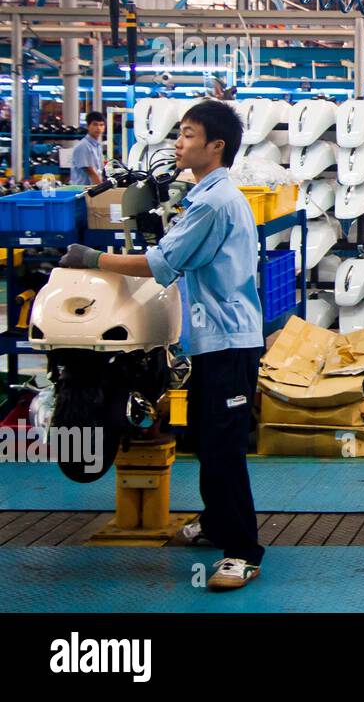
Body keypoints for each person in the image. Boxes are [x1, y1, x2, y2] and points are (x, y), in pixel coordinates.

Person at [59, 100, 266, 589]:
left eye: (189, 135)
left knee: (223, 447)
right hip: (212, 339)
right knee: (207, 435)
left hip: (229, 343)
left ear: (216, 146)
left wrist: (93, 260)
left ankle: (243, 550)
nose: (179, 142)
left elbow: (158, 264)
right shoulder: (204, 197)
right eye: (179, 133)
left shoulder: (215, 203)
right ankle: (217, 524)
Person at [69, 111, 106, 186]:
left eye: (101, 125)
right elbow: (91, 172)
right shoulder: (83, 146)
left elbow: (98, 171)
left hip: (92, 189)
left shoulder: (97, 146)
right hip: (81, 191)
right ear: (88, 126)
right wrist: (102, 191)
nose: (98, 128)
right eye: (95, 124)